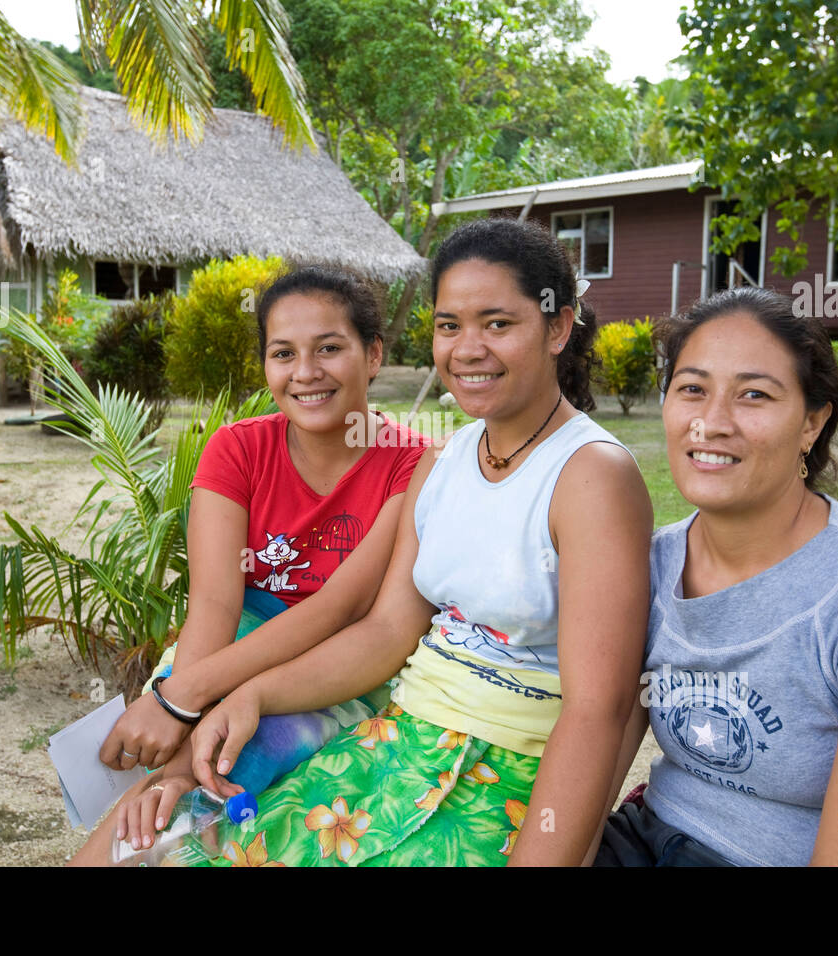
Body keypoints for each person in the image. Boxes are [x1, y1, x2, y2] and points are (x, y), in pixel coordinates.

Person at [178, 216, 652, 867]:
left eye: (498, 323)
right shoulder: (444, 461)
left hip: (507, 773)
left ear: (558, 328)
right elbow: (385, 633)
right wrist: (255, 694)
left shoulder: (592, 475)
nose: (467, 348)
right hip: (400, 742)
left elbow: (604, 710)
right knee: (203, 854)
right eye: (449, 325)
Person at [594, 286, 838, 867]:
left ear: (812, 422)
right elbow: (599, 749)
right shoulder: (651, 564)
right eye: (692, 389)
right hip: (652, 834)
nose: (711, 422)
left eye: (754, 394)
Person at [68, 266, 428, 866]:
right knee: (147, 799)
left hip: (336, 664)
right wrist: (177, 703)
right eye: (283, 353)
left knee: (207, 793)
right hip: (230, 643)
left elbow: (339, 607)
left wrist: (177, 706)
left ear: (374, 354)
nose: (305, 372)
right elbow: (214, 603)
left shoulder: (411, 465)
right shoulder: (238, 449)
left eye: (329, 348)